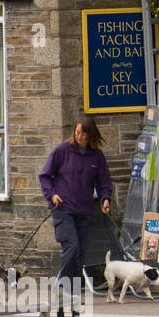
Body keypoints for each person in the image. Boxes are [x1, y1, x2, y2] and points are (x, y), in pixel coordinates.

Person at [39, 117, 113, 283]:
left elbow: (104, 182)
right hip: (63, 208)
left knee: (80, 252)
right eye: (77, 132)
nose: (80, 136)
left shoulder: (97, 156)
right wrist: (51, 194)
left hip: (85, 210)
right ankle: (62, 287)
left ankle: (73, 290)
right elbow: (45, 175)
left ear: (91, 136)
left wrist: (106, 199)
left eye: (84, 134)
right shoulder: (62, 150)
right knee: (71, 246)